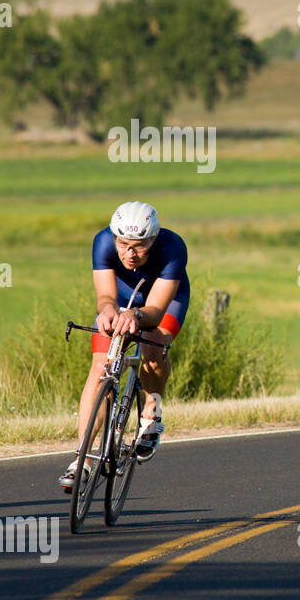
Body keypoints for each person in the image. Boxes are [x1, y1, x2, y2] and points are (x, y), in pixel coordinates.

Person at [59, 202, 189, 492]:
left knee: (154, 345)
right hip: (121, 300)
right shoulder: (103, 242)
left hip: (162, 300)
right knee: (100, 366)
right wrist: (107, 311)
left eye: (139, 247)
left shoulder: (172, 247)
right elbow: (106, 295)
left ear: (153, 241)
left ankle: (151, 415)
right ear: (114, 238)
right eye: (123, 244)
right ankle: (83, 459)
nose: (130, 254)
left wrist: (137, 315)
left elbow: (154, 311)